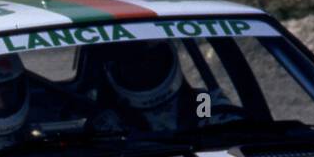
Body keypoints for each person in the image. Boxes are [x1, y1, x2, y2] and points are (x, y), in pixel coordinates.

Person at [102, 40, 238, 133]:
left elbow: (235, 132)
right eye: (133, 63)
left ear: (168, 58)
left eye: (152, 60)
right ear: (116, 70)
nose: (144, 68)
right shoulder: (111, 121)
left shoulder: (202, 101)